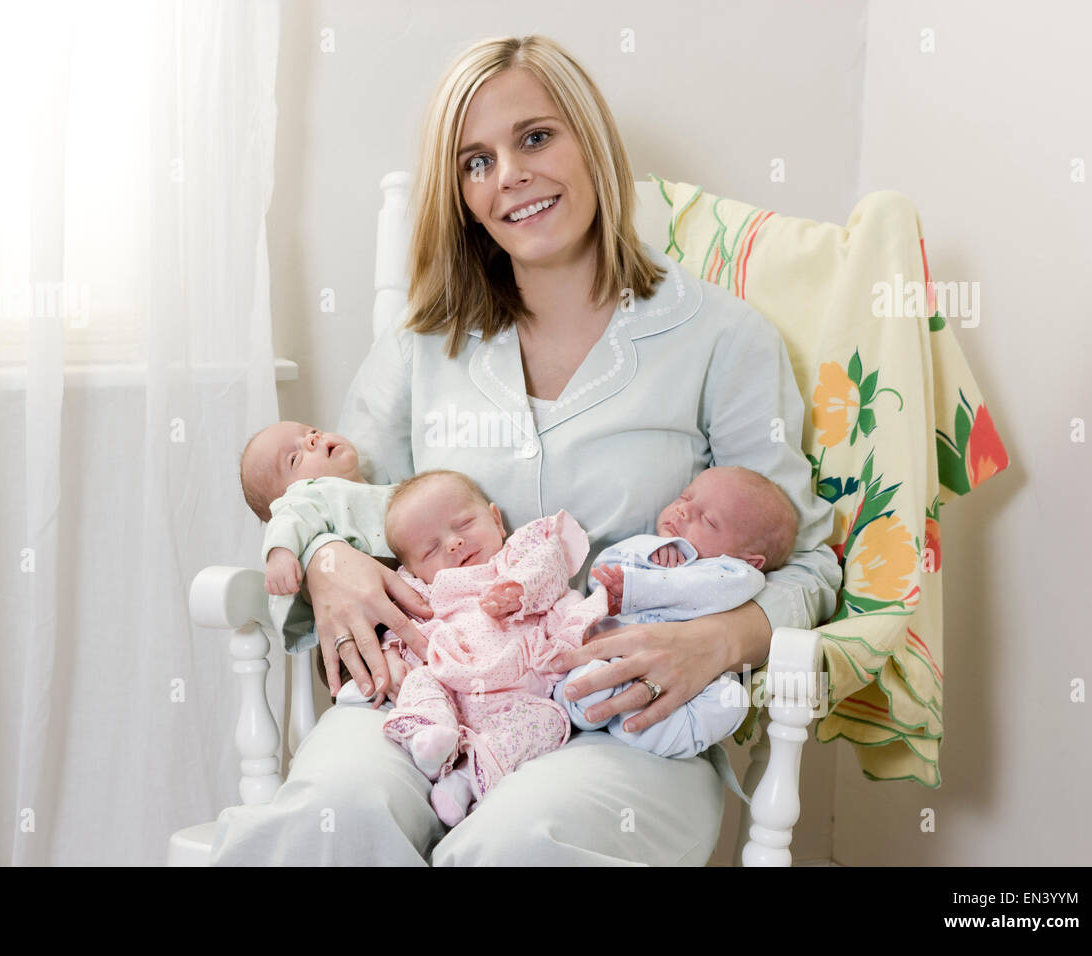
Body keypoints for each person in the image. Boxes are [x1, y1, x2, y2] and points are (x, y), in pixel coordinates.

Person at [209, 34, 841, 866]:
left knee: (515, 844)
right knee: (329, 813)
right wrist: (327, 558)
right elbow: (339, 501)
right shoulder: (420, 349)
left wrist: (714, 643)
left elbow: (804, 563)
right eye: (476, 161)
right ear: (462, 195)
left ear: (591, 140)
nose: (509, 175)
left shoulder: (723, 339)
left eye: (535, 138)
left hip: (622, 718)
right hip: (428, 693)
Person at [375, 469, 608, 826]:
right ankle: (431, 736)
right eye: (431, 548)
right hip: (452, 687)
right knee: (419, 682)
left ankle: (466, 778)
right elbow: (395, 626)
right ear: (412, 572)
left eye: (464, 524)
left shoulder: (517, 556)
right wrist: (391, 657)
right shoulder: (425, 591)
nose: (453, 543)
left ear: (496, 520)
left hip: (521, 693)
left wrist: (520, 590)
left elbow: (550, 563)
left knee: (550, 721)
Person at [558, 465, 800, 759]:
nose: (683, 512)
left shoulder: (735, 575)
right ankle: (582, 705)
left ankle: (645, 729)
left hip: (678, 683)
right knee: (584, 672)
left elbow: (704, 590)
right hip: (609, 654)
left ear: (749, 560)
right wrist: (645, 563)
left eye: (709, 521)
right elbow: (601, 575)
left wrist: (645, 587)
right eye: (685, 498)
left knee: (730, 700)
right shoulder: (642, 547)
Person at [238, 420, 395, 597]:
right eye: (294, 458)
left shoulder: (381, 490)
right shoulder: (313, 493)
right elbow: (289, 517)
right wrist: (279, 552)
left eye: (311, 431)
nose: (313, 439)